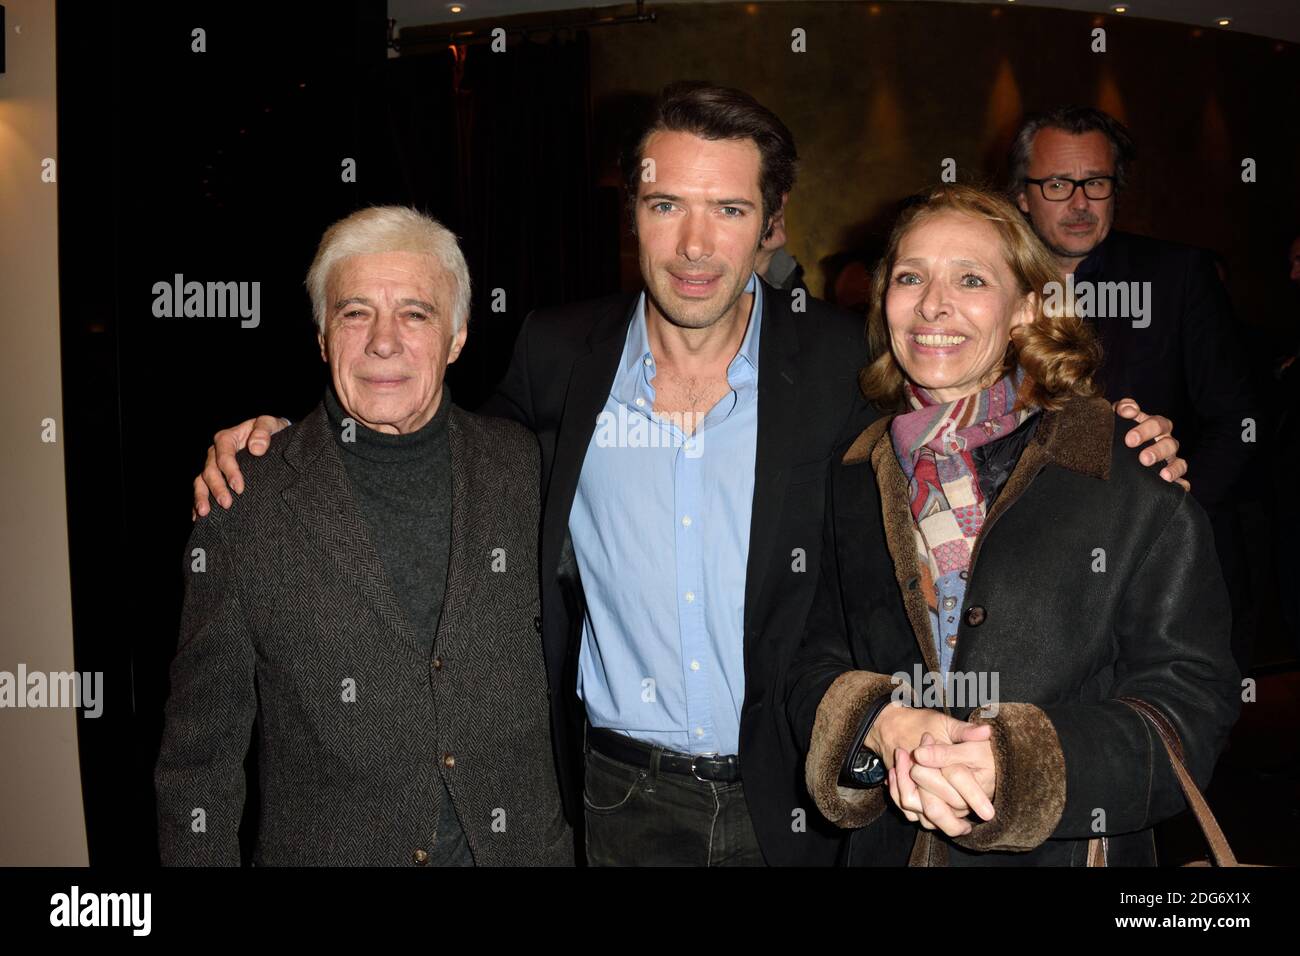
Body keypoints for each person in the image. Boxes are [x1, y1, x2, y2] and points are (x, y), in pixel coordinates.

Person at [190, 84, 1187, 867]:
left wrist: (1107, 430)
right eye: (667, 204)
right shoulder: (557, 351)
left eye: (729, 208)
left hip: (805, 792)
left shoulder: (845, 362)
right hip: (615, 798)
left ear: (772, 223)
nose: (696, 245)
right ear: (633, 210)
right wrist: (292, 441)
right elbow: (433, 449)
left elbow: (969, 402)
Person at [787, 185, 1240, 866]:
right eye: (911, 277)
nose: (933, 303)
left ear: (1027, 307)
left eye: (971, 279)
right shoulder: (854, 473)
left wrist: (1019, 766)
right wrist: (879, 724)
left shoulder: (1122, 468)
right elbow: (807, 656)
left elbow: (1192, 706)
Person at [156, 207, 572, 866]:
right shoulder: (246, 498)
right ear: (322, 336)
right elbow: (198, 762)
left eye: (415, 313)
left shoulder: (527, 467)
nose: (383, 342)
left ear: (457, 335)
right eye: (354, 313)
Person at [1009, 106, 1257, 672]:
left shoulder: (1177, 275)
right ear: (1023, 195)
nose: (1079, 202)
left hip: (1161, 573)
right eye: (1056, 184)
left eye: (1095, 183)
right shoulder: (989, 283)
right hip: (1028, 572)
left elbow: (1238, 419)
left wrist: (1174, 512)